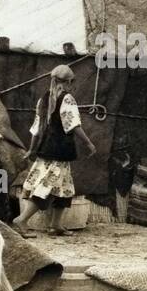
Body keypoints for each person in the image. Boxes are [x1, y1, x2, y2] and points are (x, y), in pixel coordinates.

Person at [12, 64, 97, 237]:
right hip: (59, 150)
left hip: (46, 149)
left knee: (64, 187)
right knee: (47, 186)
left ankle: (55, 225)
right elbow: (73, 125)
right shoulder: (67, 99)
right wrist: (88, 143)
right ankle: (22, 219)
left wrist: (32, 149)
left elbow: (37, 128)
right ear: (68, 82)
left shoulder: (43, 99)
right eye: (72, 82)